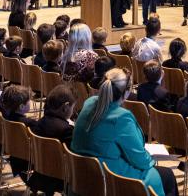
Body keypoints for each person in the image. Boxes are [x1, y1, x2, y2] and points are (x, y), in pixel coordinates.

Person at [71, 68, 177, 196]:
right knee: (167, 175)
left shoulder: (89, 102)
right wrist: (151, 159)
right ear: (126, 92)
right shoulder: (122, 118)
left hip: (82, 173)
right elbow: (140, 159)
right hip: (111, 179)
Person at [27, 84, 76, 194]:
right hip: (60, 177)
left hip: (39, 171)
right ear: (66, 107)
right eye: (73, 107)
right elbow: (72, 157)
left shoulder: (39, 123)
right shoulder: (66, 130)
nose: (73, 111)